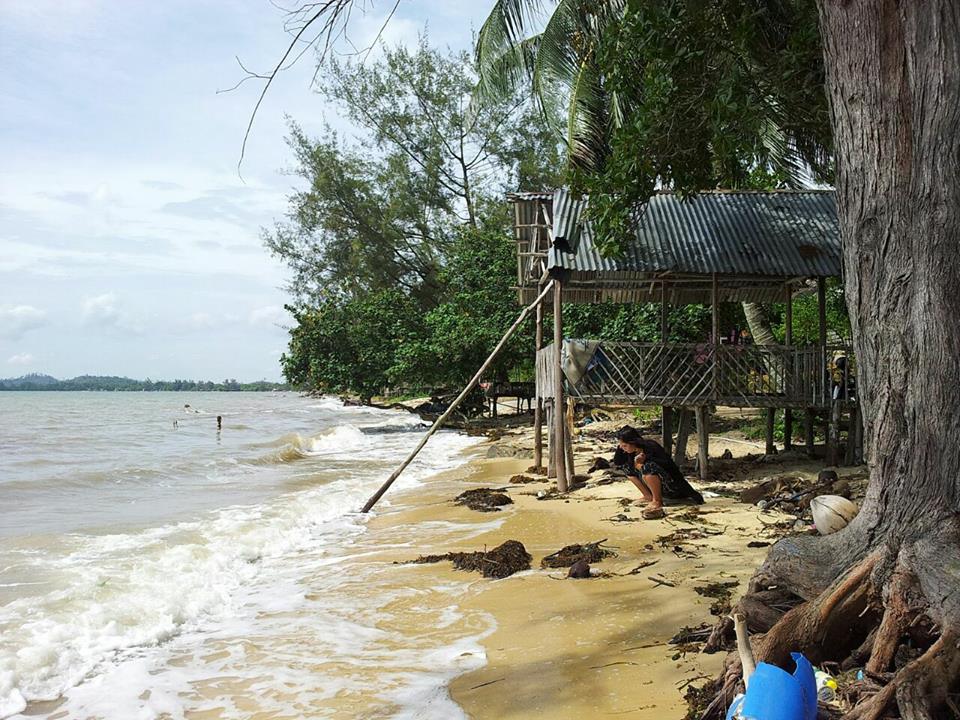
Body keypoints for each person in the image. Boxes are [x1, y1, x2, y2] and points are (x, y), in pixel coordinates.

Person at [614, 426, 704, 509]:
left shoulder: (650, 446)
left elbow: (667, 464)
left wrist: (645, 459)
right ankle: (647, 496)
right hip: (659, 487)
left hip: (673, 487)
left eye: (625, 446)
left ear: (634, 443)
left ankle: (657, 501)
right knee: (626, 467)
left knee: (648, 466)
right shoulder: (631, 452)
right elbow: (618, 462)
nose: (623, 448)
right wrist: (620, 447)